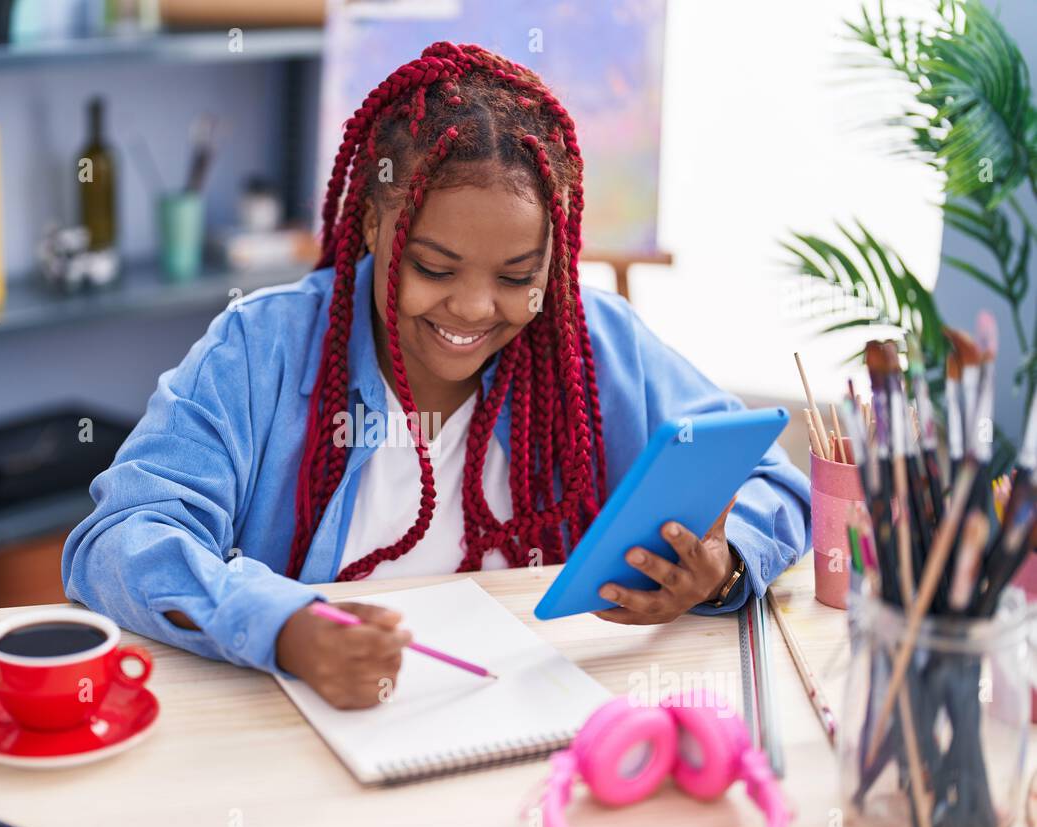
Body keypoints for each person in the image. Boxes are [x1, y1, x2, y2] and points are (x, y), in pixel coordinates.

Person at [63, 43, 810, 709]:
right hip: (307, 738)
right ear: (371, 227)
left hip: (535, 729)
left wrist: (719, 568)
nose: (475, 308)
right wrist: (281, 626)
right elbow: (121, 540)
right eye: (433, 268)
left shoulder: (592, 344)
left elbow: (769, 479)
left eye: (520, 275)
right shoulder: (260, 351)